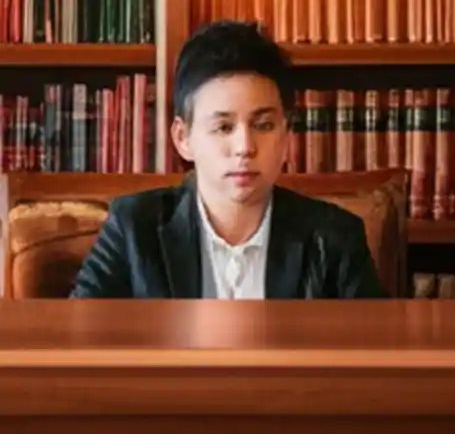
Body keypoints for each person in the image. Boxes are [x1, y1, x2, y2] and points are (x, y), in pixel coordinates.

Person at [70, 21, 385, 299]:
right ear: (183, 139)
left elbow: (375, 344)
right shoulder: (134, 229)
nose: (244, 147)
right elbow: (78, 338)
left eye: (263, 125)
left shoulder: (334, 239)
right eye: (223, 127)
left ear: (287, 135)